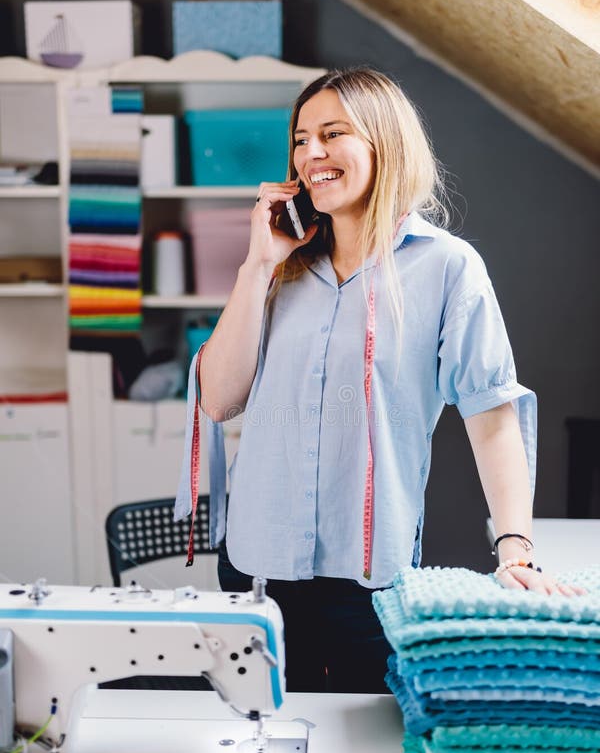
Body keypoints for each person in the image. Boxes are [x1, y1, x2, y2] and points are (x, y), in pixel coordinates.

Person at [176, 68, 585, 694]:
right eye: (301, 138)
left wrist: (515, 549)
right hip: (255, 565)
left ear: (383, 142)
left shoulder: (448, 268)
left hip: (370, 578)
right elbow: (219, 397)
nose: (311, 153)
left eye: (333, 134)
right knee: (261, 744)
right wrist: (258, 264)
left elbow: (492, 415)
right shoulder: (278, 267)